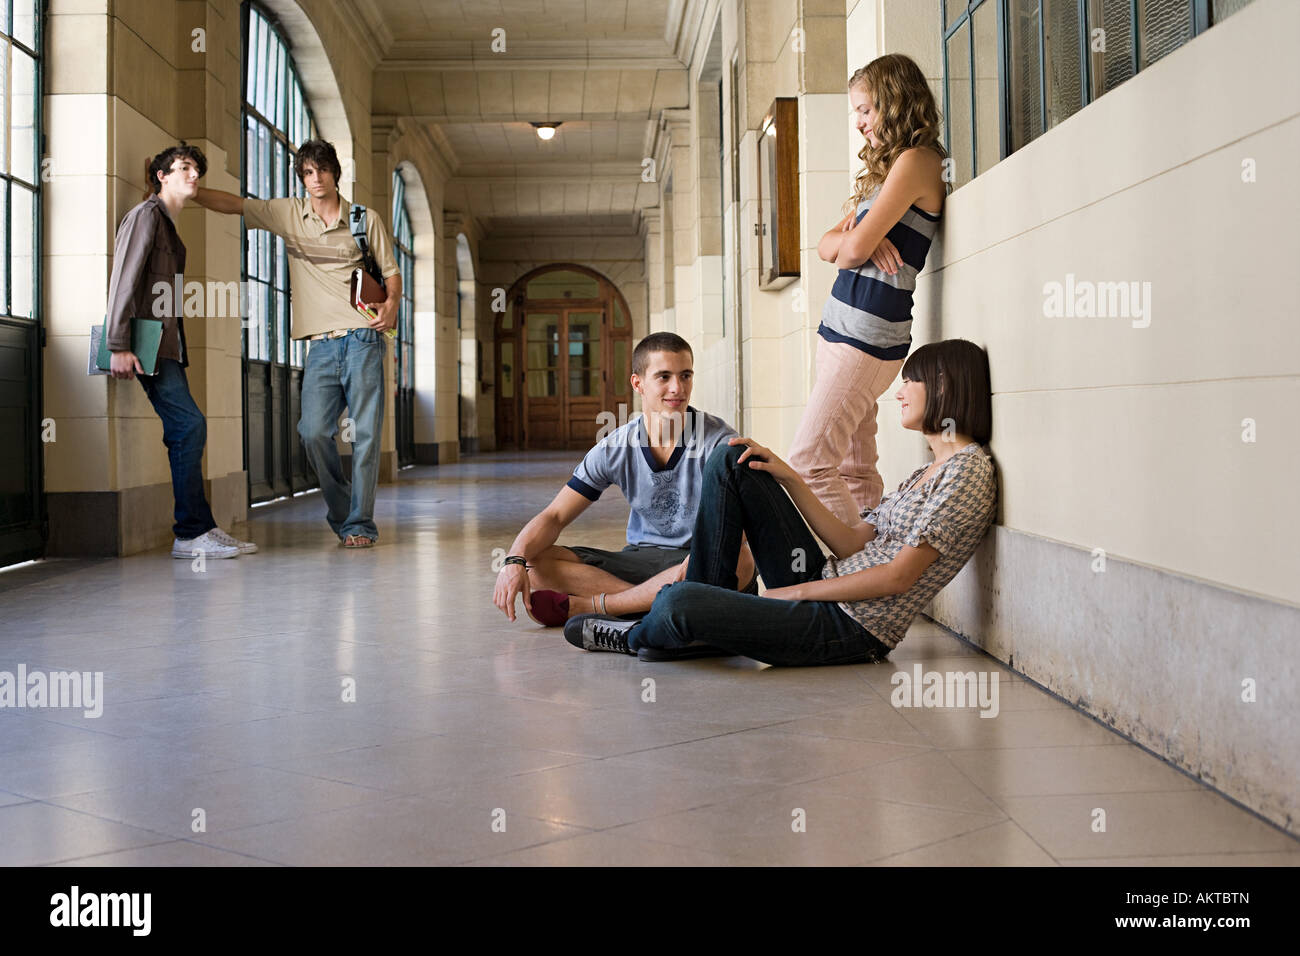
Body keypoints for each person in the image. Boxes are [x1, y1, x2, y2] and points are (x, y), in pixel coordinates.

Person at [564, 339, 996, 666]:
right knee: (735, 457)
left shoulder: (967, 472)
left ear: (942, 386)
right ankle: (699, 622)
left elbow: (898, 579)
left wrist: (795, 593)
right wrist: (789, 477)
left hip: (850, 626)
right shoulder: (923, 473)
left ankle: (639, 634)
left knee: (676, 601)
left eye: (909, 382)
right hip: (824, 579)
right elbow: (851, 543)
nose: (899, 393)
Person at [192, 140, 400, 548]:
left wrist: (391, 304)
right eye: (307, 172)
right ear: (301, 177)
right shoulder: (288, 214)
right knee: (313, 431)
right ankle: (344, 514)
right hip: (320, 347)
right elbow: (234, 204)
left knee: (365, 436)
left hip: (362, 339)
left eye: (322, 170)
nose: (315, 178)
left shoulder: (363, 219)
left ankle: (360, 523)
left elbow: (390, 272)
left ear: (334, 173)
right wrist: (189, 192)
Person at [493, 332, 754, 631]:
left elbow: (740, 532)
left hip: (700, 559)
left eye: (685, 375)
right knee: (534, 564)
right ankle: (661, 605)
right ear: (637, 383)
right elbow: (554, 516)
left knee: (740, 558)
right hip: (639, 562)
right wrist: (513, 561)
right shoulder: (615, 447)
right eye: (664, 376)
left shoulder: (719, 441)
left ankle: (601, 606)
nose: (677, 388)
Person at [787, 53, 949, 525]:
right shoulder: (886, 172)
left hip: (868, 338)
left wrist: (861, 240)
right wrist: (859, 240)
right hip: (838, 330)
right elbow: (825, 245)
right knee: (853, 471)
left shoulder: (919, 161)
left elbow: (853, 249)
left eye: (865, 109)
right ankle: (869, 581)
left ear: (895, 102)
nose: (859, 123)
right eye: (855, 112)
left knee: (808, 462)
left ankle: (865, 567)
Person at [107, 144, 256, 560]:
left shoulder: (166, 224)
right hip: (144, 344)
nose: (194, 175)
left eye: (196, 170)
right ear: (162, 176)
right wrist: (118, 344)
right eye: (184, 168)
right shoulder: (146, 217)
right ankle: (191, 533)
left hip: (164, 346)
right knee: (190, 427)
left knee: (185, 428)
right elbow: (124, 279)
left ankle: (201, 527)